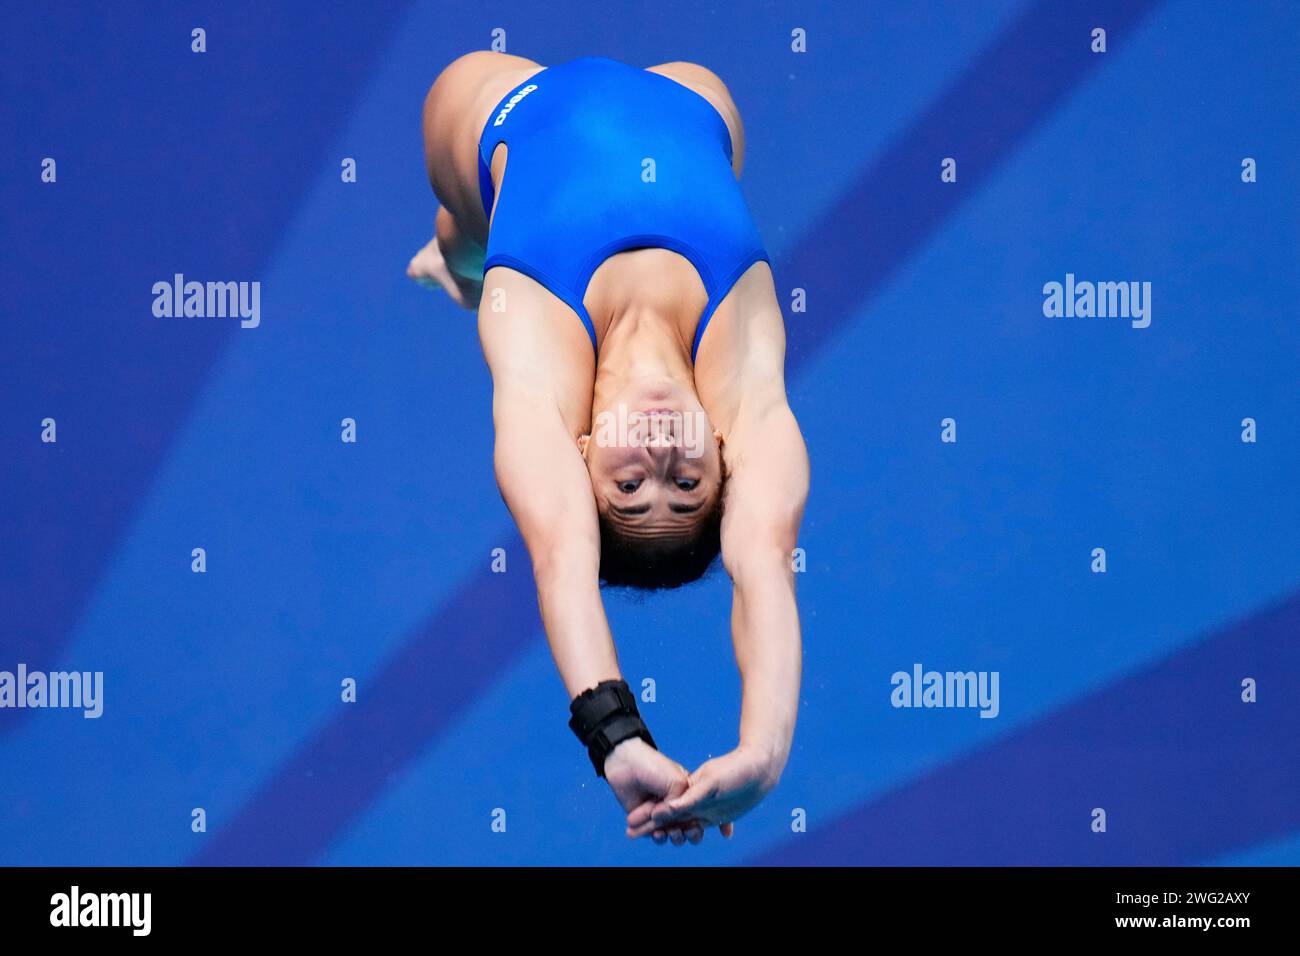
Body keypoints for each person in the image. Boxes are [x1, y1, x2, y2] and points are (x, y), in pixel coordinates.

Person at [410, 52, 808, 846]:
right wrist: (762, 758)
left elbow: (560, 556)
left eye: (629, 489)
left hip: (506, 106)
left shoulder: (539, 367)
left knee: (468, 233)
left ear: (580, 451)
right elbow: (761, 564)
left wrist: (616, 737)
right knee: (704, 94)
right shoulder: (744, 379)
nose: (660, 461)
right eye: (687, 486)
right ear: (725, 452)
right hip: (690, 100)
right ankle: (457, 264)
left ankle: (453, 260)